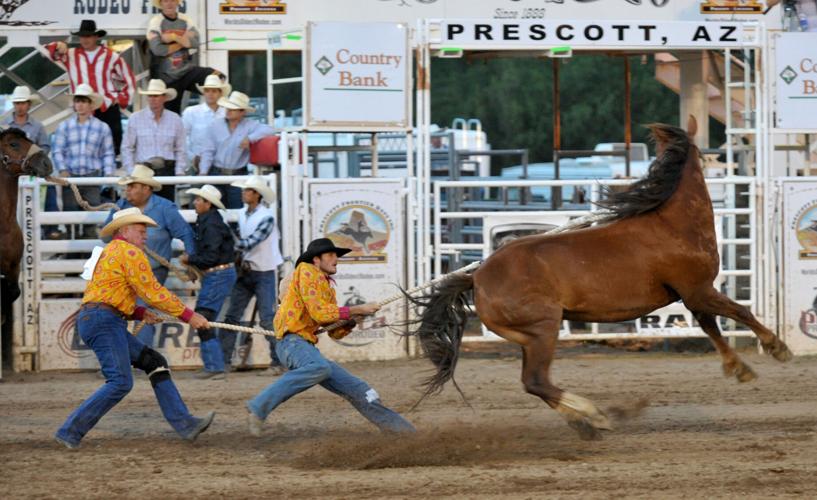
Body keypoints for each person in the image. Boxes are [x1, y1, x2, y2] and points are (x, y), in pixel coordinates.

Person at [54, 208, 215, 449]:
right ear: (125, 231)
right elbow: (152, 291)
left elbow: (108, 292)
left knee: (154, 362)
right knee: (120, 381)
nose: (145, 236)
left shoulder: (110, 252)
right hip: (104, 321)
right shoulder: (130, 252)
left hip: (96, 318)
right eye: (141, 231)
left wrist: (138, 312)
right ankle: (69, 431)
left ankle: (186, 424)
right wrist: (188, 315)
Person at [245, 238, 415, 436]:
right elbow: (320, 313)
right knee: (319, 368)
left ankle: (405, 434)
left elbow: (334, 331)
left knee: (360, 390)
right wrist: (356, 308)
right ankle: (258, 408)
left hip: (303, 347)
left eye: (337, 255)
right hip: (292, 343)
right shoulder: (306, 271)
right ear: (316, 259)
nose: (336, 259)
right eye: (331, 255)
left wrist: (351, 320)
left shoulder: (326, 288)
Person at [104, 164, 196, 347]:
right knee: (119, 309)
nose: (127, 190)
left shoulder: (164, 208)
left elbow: (185, 233)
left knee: (142, 309)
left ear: (146, 189)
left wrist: (191, 261)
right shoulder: (121, 206)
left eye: (132, 186)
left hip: (153, 268)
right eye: (128, 186)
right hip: (124, 270)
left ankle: (140, 355)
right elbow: (107, 236)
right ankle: (131, 355)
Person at [219, 176, 285, 373]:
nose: (243, 193)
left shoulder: (266, 216)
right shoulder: (246, 214)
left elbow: (249, 243)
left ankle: (278, 361)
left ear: (256, 194)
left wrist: (224, 242)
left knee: (264, 318)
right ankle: (225, 360)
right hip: (252, 269)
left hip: (261, 271)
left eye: (247, 191)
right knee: (238, 316)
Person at [46, 19, 135, 156]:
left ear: (96, 37)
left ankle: (111, 173)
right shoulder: (71, 54)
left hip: (106, 107)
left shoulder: (110, 56)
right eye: (82, 36)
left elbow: (128, 77)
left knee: (113, 148)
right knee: (85, 148)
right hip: (83, 108)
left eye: (88, 36)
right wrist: (59, 45)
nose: (84, 39)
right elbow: (48, 51)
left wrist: (121, 99)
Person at [180, 184, 236, 380]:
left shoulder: (210, 224)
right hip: (218, 274)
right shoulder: (210, 221)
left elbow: (211, 257)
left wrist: (190, 260)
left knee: (202, 318)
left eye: (199, 199)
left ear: (208, 204)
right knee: (204, 318)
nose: (195, 202)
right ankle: (214, 366)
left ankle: (215, 366)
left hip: (218, 274)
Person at [52, 84, 115, 238]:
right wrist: (62, 169)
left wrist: (107, 176)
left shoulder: (102, 127)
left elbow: (108, 153)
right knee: (70, 216)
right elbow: (57, 150)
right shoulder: (64, 126)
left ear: (90, 104)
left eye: (83, 101)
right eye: (77, 101)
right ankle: (71, 253)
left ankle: (87, 253)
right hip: (70, 177)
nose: (79, 104)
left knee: (90, 218)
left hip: (92, 177)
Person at [199, 91, 275, 209]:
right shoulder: (215, 125)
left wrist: (250, 139)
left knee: (236, 209)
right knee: (214, 209)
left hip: (238, 174)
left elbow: (270, 130)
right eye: (227, 107)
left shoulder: (249, 125)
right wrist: (203, 172)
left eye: (233, 109)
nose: (228, 111)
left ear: (242, 112)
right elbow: (208, 151)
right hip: (216, 173)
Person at [147, 0, 224, 114]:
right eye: (166, 1)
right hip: (167, 78)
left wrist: (172, 37)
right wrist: (182, 39)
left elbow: (195, 42)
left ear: (178, 3)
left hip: (186, 70)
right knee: (171, 115)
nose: (169, 4)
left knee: (218, 77)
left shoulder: (186, 19)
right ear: (161, 4)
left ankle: (212, 114)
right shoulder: (156, 21)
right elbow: (158, 50)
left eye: (173, 0)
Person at [121, 79, 186, 201]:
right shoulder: (135, 118)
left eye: (156, 96)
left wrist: (179, 172)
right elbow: (127, 147)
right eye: (150, 96)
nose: (152, 99)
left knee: (166, 207)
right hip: (143, 170)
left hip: (167, 170)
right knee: (144, 207)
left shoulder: (175, 119)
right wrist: (132, 172)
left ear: (164, 97)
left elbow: (180, 148)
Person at [181, 74, 230, 174]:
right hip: (197, 164)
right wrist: (193, 158)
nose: (210, 94)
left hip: (222, 165)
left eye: (214, 91)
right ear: (203, 93)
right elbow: (182, 138)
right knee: (197, 189)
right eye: (207, 91)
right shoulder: (191, 112)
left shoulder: (227, 113)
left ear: (220, 93)